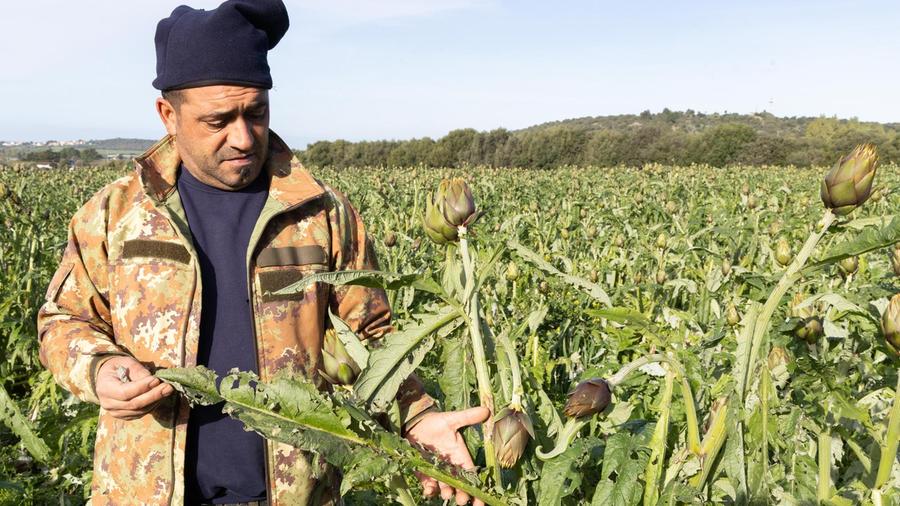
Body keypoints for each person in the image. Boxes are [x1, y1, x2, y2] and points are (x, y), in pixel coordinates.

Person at [36, 1, 488, 504]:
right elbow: (64, 318)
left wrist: (419, 418)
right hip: (144, 490)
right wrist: (97, 369)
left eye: (256, 112)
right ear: (169, 115)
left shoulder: (322, 214)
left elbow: (372, 340)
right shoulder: (116, 213)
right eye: (218, 120)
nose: (243, 136)